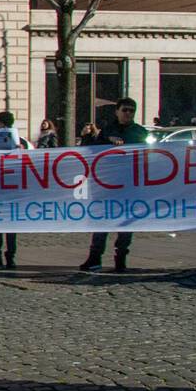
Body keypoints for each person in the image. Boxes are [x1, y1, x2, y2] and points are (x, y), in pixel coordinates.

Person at [80, 97, 148, 273]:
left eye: (131, 110)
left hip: (130, 184)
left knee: (126, 224)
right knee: (102, 222)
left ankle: (121, 259)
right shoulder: (107, 131)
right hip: (108, 184)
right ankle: (95, 257)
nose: (128, 113)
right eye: (125, 110)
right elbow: (92, 152)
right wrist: (87, 137)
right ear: (117, 111)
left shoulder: (140, 133)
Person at [0, 112, 28, 271]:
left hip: (12, 187)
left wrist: (21, 150)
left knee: (9, 225)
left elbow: (29, 159)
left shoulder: (21, 141)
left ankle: (10, 256)